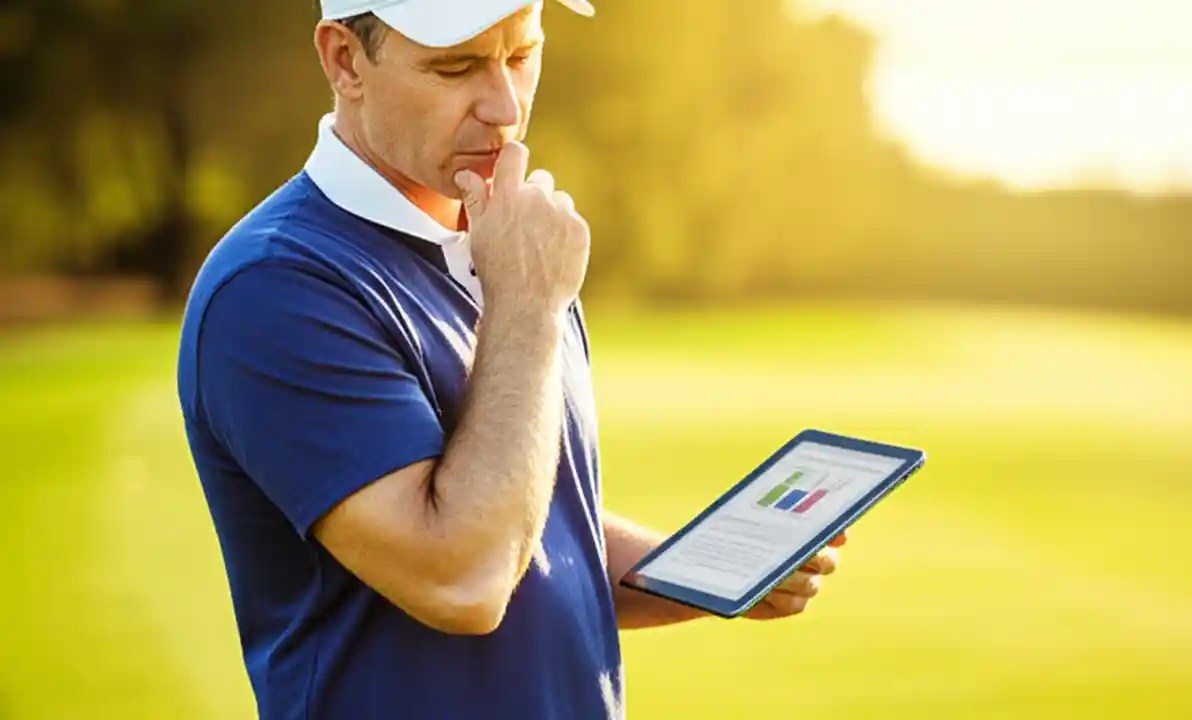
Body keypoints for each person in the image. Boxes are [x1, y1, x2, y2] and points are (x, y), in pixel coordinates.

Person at [176, 1, 845, 717]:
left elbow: (538, 529)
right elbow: (463, 578)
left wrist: (705, 570)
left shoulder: (504, 244)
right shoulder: (278, 285)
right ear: (345, 60)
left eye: (521, 55)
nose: (503, 106)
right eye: (455, 65)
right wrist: (528, 304)